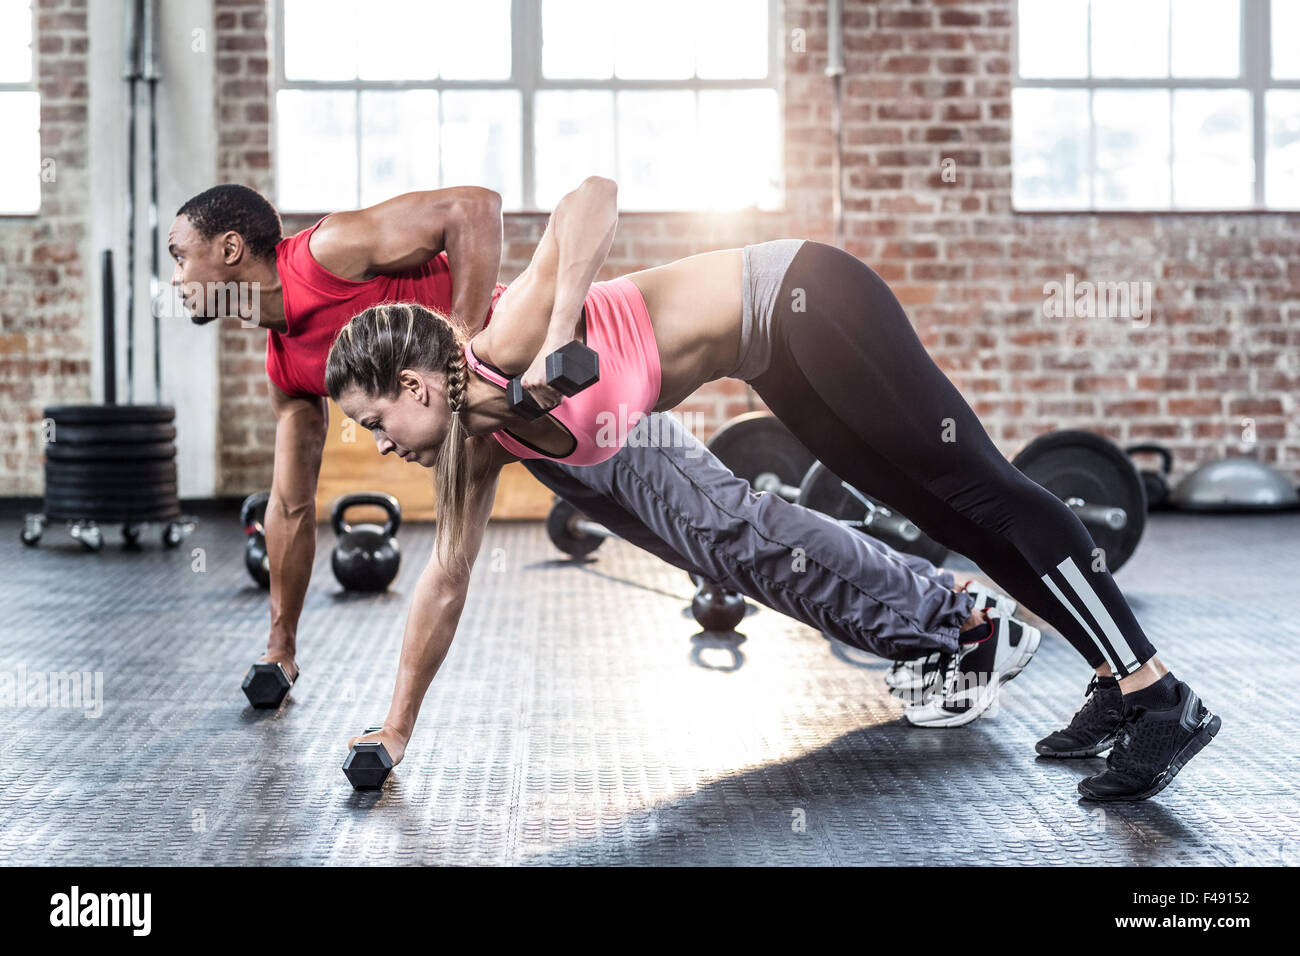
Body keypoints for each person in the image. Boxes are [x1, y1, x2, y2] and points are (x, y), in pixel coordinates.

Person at [328, 176, 1220, 802]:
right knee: (943, 513)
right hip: (775, 362)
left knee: (979, 486)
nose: (378, 444)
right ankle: (1109, 675)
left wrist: (566, 324)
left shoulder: (508, 341)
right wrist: (395, 729)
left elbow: (591, 193)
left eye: (374, 422)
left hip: (804, 295)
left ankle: (1156, 692)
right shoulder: (481, 448)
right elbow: (446, 579)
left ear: (413, 388)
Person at [169, 182, 1029, 729]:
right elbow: (386, 551)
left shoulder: (336, 259)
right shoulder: (303, 366)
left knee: (735, 529)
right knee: (720, 551)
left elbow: (523, 202)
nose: (379, 445)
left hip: (592, 364)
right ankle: (936, 625)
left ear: (230, 248)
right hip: (524, 422)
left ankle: (964, 624)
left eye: (181, 256)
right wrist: (363, 709)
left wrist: (518, 331)